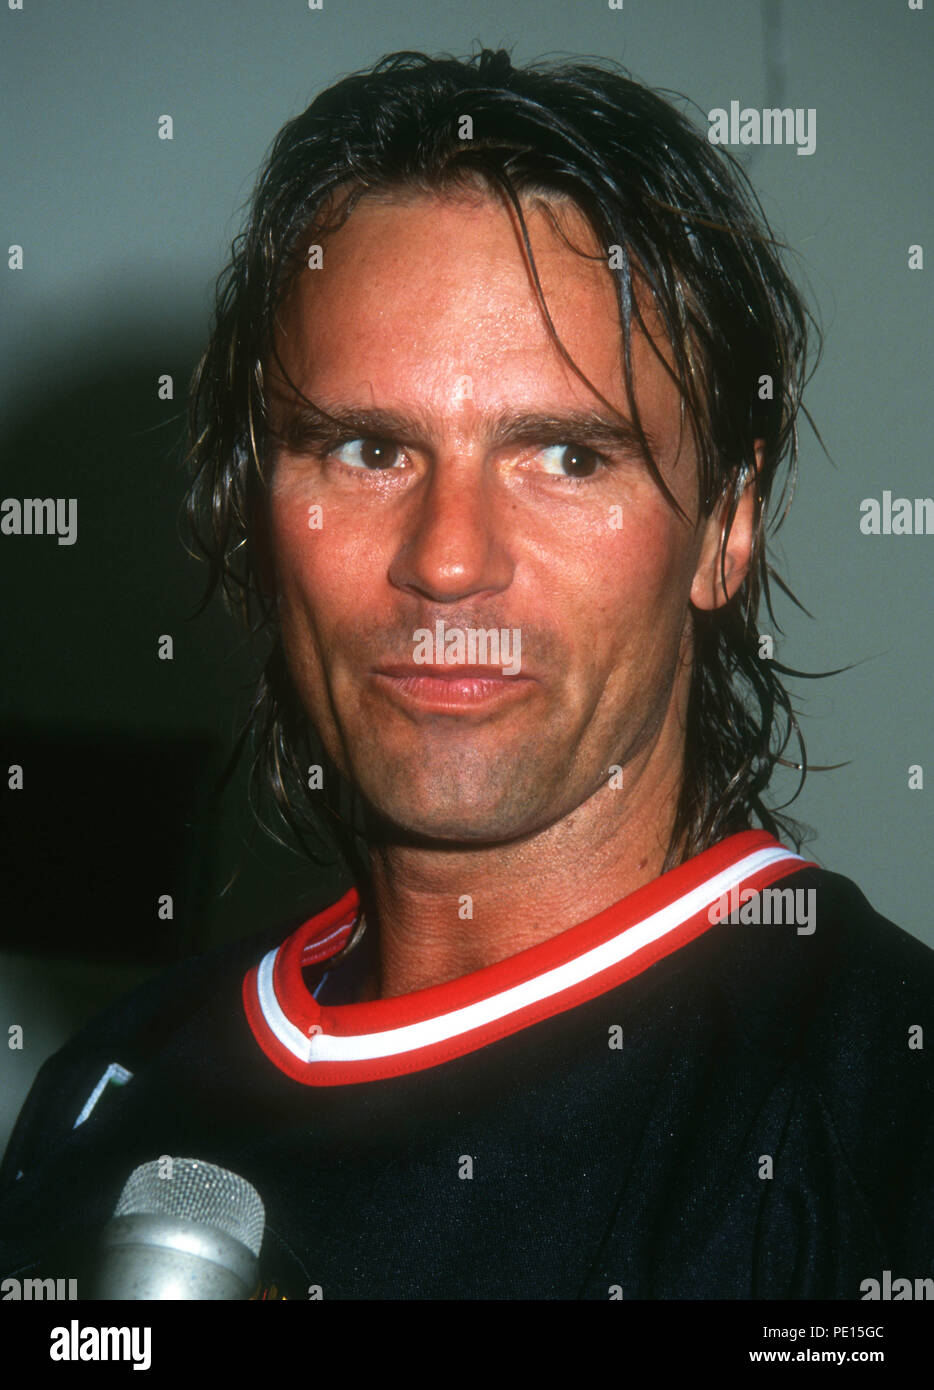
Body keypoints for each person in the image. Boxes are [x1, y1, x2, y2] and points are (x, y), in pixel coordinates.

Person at [1, 47, 930, 1301]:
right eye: (368, 447)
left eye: (564, 456)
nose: (447, 562)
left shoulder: (880, 1106)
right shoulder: (105, 1097)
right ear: (255, 518)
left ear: (725, 525)